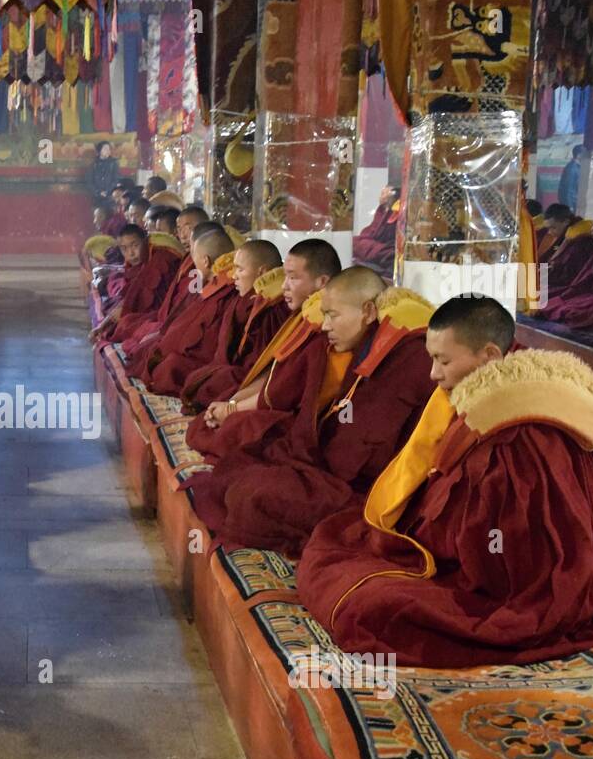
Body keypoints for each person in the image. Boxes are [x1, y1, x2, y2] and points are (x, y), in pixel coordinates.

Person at [297, 294, 593, 667]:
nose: (433, 374)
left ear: (490, 356)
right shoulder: (490, 393)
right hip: (488, 561)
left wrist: (430, 539)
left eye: (443, 361)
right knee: (336, 543)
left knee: (367, 607)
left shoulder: (520, 433)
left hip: (522, 590)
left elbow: (507, 548)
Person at [186, 268, 436, 556]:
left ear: (368, 312)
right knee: (237, 472)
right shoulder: (359, 347)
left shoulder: (408, 359)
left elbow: (371, 455)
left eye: (333, 315)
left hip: (360, 491)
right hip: (324, 466)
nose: (325, 325)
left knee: (253, 497)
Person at [185, 238, 341, 460]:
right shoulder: (302, 317)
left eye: (293, 278)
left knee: (236, 430)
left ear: (322, 282)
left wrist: (232, 410)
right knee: (216, 408)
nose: (284, 285)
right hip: (272, 401)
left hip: (296, 420)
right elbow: (273, 372)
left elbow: (283, 392)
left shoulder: (322, 329)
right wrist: (232, 403)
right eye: (285, 276)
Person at [129, 228, 240, 394]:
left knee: (167, 366)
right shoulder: (213, 284)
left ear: (205, 261)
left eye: (195, 260)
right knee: (151, 350)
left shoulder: (227, 290)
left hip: (207, 361)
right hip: (197, 355)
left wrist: (167, 344)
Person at [180, 239, 286, 409]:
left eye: (240, 269)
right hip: (230, 368)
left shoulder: (273, 308)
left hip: (251, 379)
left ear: (262, 272)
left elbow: (261, 367)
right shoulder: (244, 298)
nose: (233, 275)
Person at [90, 225, 183, 342]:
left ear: (145, 241)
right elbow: (131, 296)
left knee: (127, 325)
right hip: (148, 314)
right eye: (124, 249)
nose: (131, 253)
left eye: (135, 246)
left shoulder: (160, 258)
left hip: (167, 313)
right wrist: (103, 325)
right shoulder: (136, 265)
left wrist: (110, 321)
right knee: (124, 321)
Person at [351, 185, 401, 276]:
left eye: (387, 193)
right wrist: (384, 208)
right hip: (379, 252)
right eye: (382, 193)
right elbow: (370, 233)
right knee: (353, 242)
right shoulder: (385, 210)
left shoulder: (400, 210)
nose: (383, 197)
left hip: (390, 254)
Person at [558, 144, 585, 209]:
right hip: (571, 203)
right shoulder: (572, 168)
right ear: (579, 155)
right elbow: (568, 189)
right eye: (584, 154)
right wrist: (570, 206)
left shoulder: (578, 167)